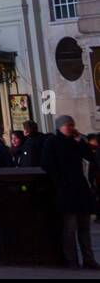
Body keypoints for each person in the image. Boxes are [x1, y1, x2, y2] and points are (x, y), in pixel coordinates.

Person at [40, 115, 99, 269]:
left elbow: (90, 157)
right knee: (70, 228)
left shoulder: (75, 142)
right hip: (66, 191)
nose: (71, 127)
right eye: (68, 125)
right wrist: (60, 182)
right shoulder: (52, 142)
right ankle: (71, 260)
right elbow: (47, 164)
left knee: (84, 228)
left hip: (80, 189)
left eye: (72, 124)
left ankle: (88, 259)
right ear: (60, 126)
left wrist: (80, 140)